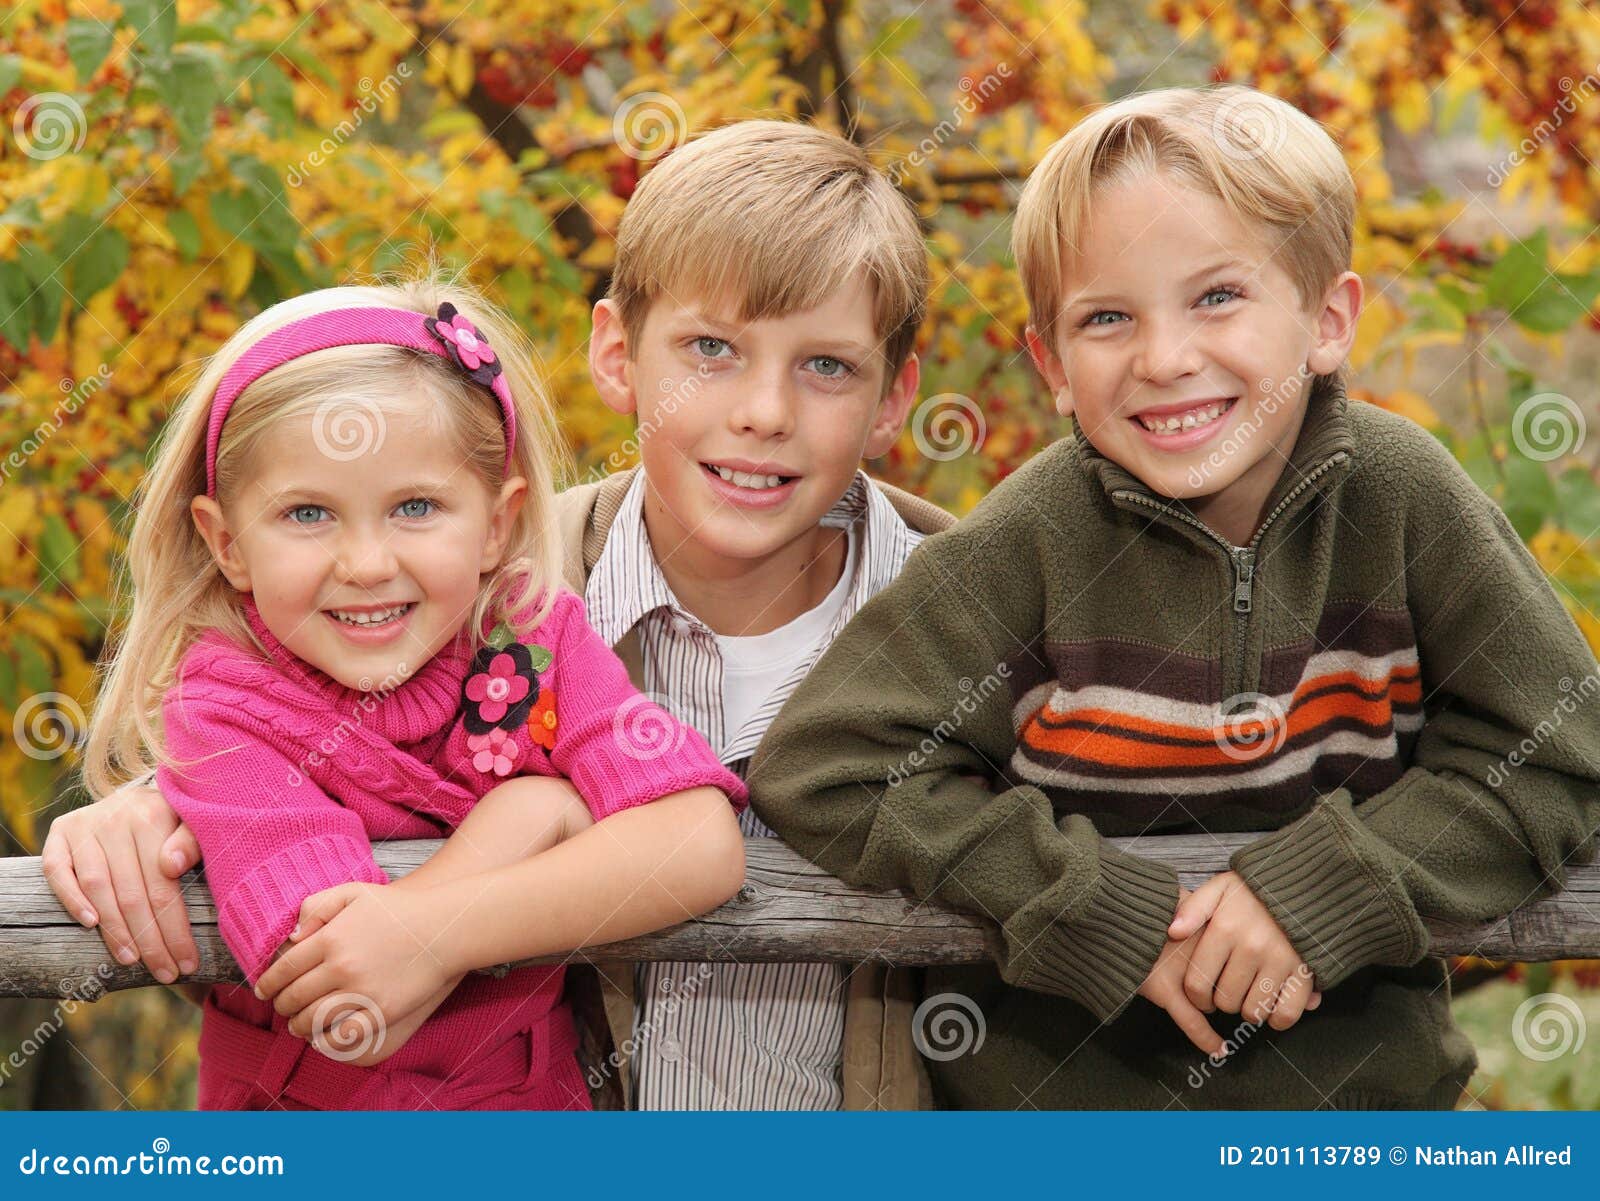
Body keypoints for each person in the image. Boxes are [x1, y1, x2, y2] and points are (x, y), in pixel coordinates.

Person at [48, 120, 952, 1110]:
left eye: (825, 366)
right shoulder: (491, 588)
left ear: (891, 397)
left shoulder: (975, 621)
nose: (765, 411)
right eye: (710, 350)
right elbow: (276, 741)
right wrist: (159, 802)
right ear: (616, 355)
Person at [747, 85, 1600, 1108]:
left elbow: (1561, 755)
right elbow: (828, 764)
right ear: (1051, 363)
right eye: (1106, 317)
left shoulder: (1401, 498)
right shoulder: (1036, 535)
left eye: (1216, 298)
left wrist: (1327, 888)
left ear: (1327, 319)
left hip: (1360, 1112)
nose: (1163, 359)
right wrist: (1091, 906)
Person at [72, 271, 747, 1109]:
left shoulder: (532, 639)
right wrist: (535, 816)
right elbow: (346, 999)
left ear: (497, 524)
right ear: (227, 542)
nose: (366, 564)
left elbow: (703, 841)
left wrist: (434, 929)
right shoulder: (223, 709)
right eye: (308, 515)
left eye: (416, 506)